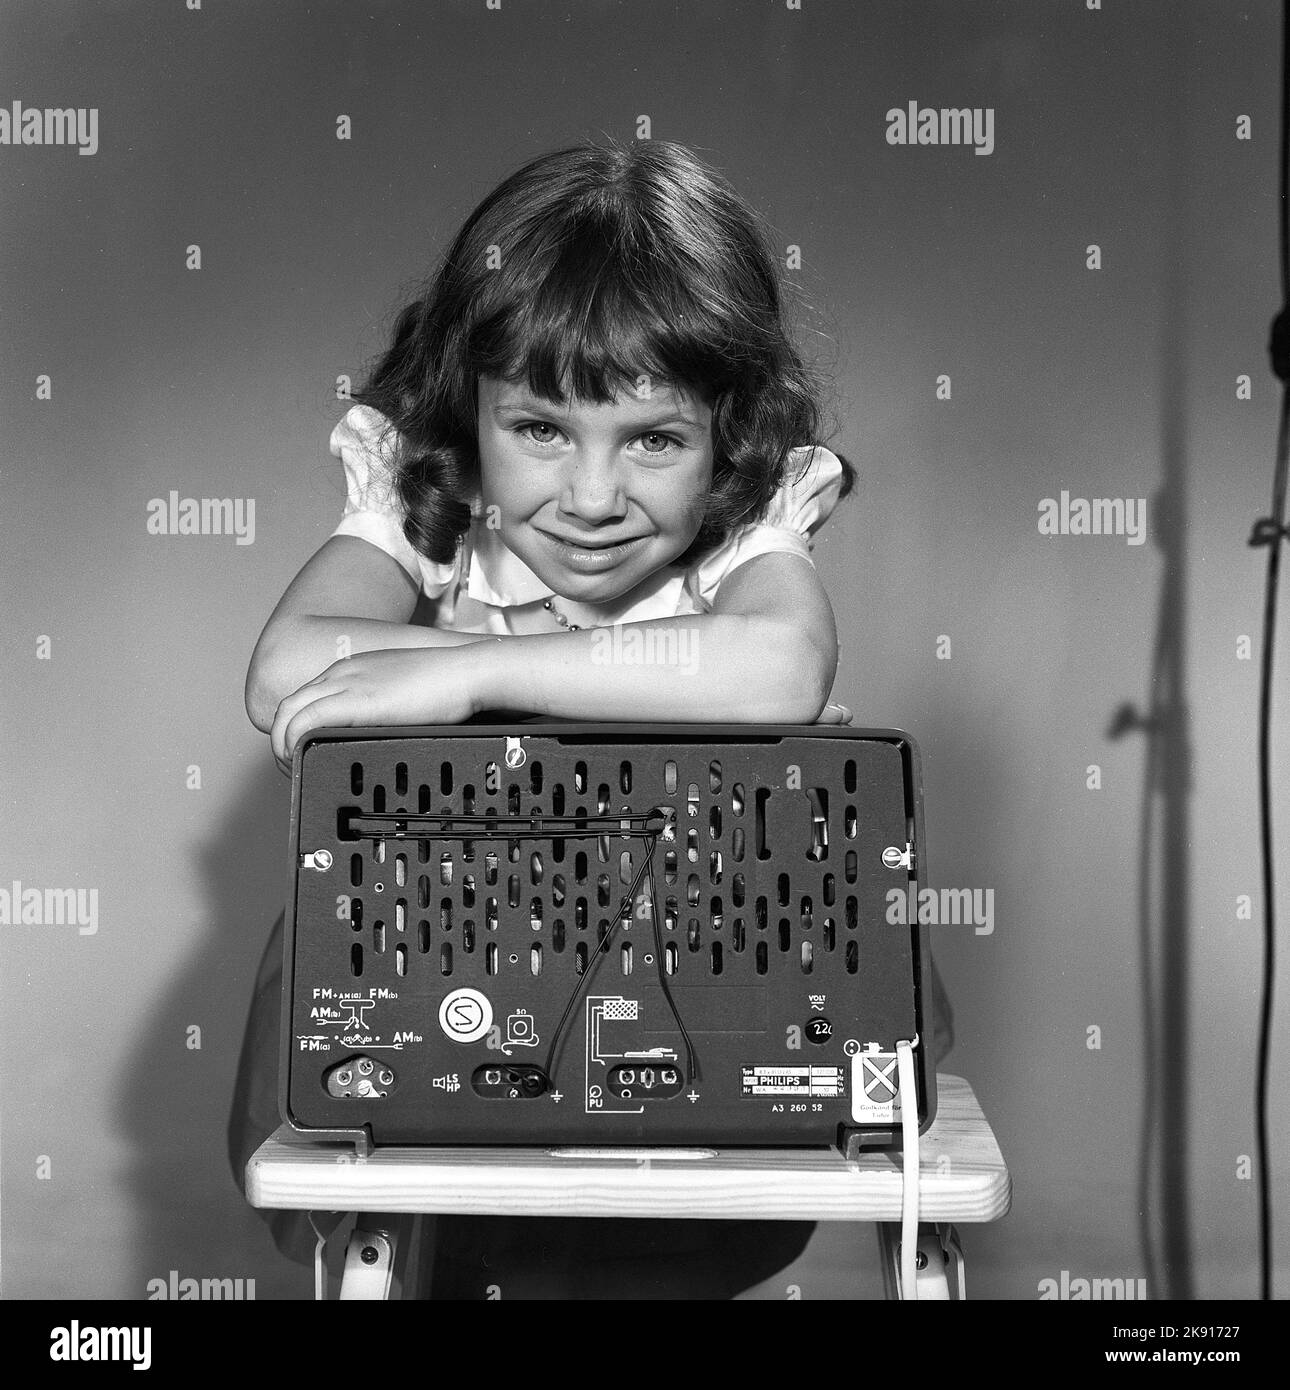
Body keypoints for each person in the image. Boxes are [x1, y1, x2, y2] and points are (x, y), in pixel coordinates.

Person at [233, 138, 951, 1297]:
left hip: (702, 946)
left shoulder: (746, 519)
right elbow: (286, 672)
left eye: (655, 439)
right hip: (457, 948)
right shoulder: (433, 492)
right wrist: (621, 673)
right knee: (341, 1024)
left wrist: (471, 670)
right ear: (470, 410)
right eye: (541, 430)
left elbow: (779, 667)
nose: (593, 497)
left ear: (728, 429)